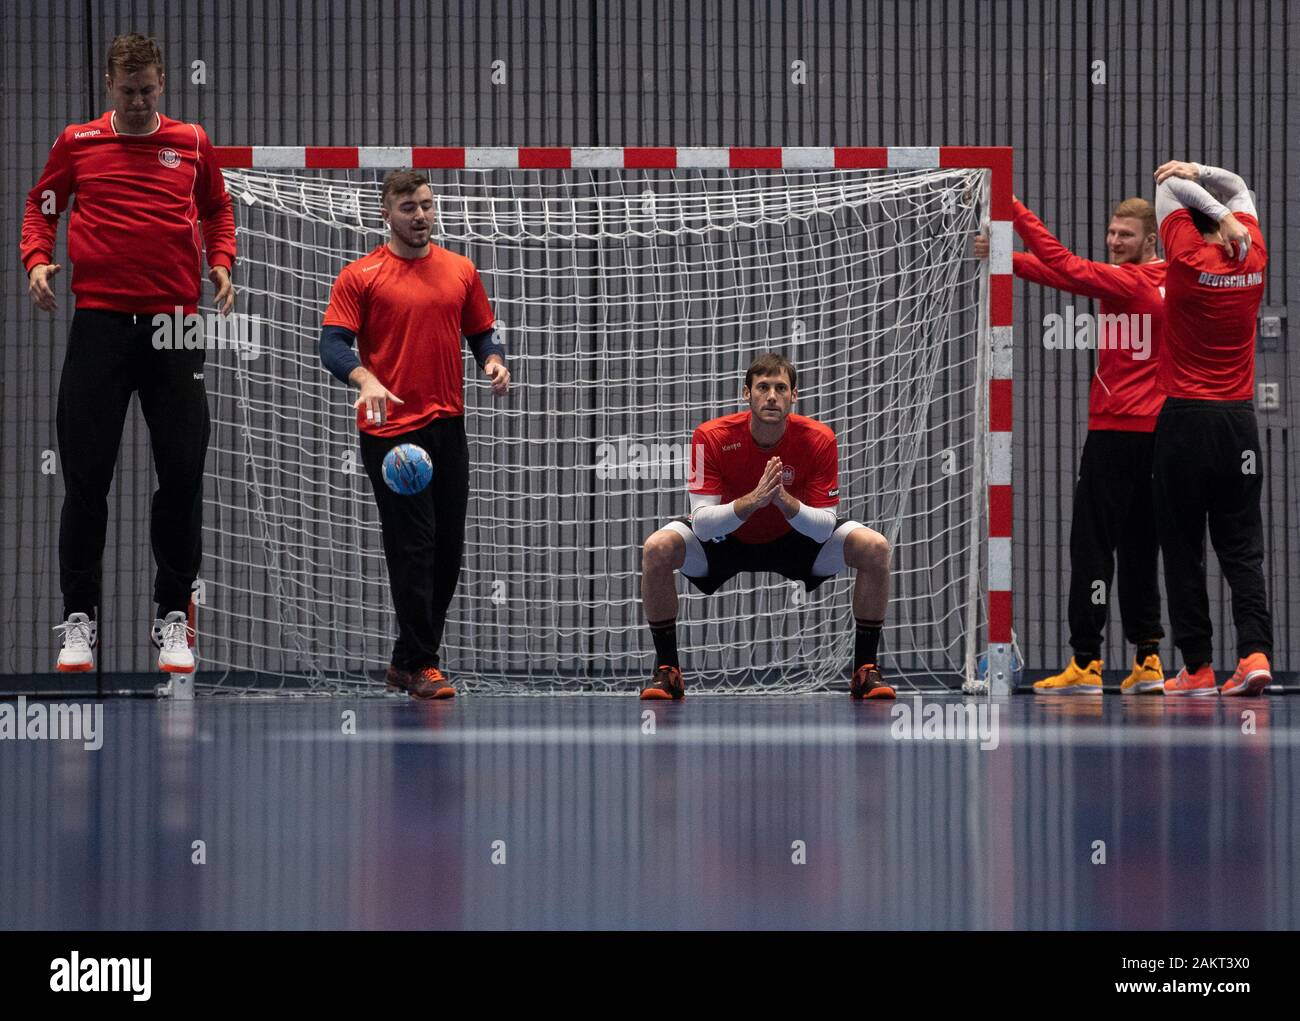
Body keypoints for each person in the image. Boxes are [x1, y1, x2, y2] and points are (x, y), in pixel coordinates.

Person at [21, 33, 236, 676]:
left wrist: (221, 262)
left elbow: (217, 210)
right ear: (109, 87)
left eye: (148, 90)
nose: (139, 102)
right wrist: (37, 261)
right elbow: (41, 206)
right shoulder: (78, 143)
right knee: (86, 479)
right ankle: (80, 621)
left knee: (182, 474)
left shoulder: (192, 142)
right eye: (127, 91)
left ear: (163, 83)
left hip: (176, 326)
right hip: (101, 326)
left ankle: (174, 619)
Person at [320, 169, 509, 699]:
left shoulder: (460, 270)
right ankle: (425, 662)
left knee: (447, 549)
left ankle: (406, 660)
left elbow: (482, 332)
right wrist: (364, 377)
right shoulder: (361, 276)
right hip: (391, 430)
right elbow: (332, 344)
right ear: (386, 213)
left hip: (447, 424)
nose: (421, 216)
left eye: (426, 205)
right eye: (409, 208)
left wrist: (493, 361)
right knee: (413, 546)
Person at [976, 195, 1167, 694]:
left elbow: (1062, 265)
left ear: (1151, 240)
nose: (1113, 241)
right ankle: (1148, 660)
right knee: (1143, 547)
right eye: (1111, 232)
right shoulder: (1169, 280)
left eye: (1124, 235)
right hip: (1159, 437)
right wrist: (1003, 257)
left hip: (1115, 434)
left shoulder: (1129, 282)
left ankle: (1086, 662)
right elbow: (1066, 276)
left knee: (1092, 549)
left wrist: (1010, 208)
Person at [638, 352, 893, 700]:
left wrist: (784, 502)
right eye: (762, 387)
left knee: (875, 547)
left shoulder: (819, 439)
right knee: (657, 549)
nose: (771, 395)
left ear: (793, 396)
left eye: (780, 388)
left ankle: (865, 670)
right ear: (747, 394)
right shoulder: (709, 436)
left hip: (796, 537)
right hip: (727, 538)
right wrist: (753, 500)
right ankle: (667, 671)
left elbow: (822, 529)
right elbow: (702, 524)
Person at [1150, 160, 1272, 696]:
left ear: (1185, 225)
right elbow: (1239, 186)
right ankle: (1255, 654)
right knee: (1242, 547)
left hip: (1184, 420)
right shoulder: (1256, 254)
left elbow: (1166, 184)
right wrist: (1206, 174)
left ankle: (1197, 667)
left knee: (1183, 548)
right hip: (1238, 422)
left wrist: (1201, 196)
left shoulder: (1183, 256)